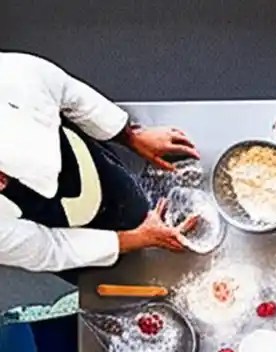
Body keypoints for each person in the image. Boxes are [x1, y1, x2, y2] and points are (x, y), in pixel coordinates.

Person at [0, 52, 199, 274]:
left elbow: (67, 91)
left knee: (127, 194)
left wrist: (132, 136)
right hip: (79, 247)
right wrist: (134, 239)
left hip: (92, 167)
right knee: (122, 272)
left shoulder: (11, 77)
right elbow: (50, 249)